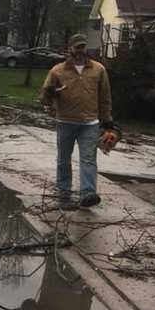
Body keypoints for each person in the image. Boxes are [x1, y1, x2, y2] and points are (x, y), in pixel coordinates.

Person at [39, 34, 113, 208]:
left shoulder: (98, 69)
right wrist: (51, 92)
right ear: (70, 49)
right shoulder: (57, 71)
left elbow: (105, 96)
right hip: (65, 122)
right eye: (77, 47)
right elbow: (44, 98)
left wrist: (107, 119)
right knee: (64, 159)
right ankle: (64, 192)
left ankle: (88, 194)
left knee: (88, 159)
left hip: (90, 123)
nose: (80, 51)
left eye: (83, 47)